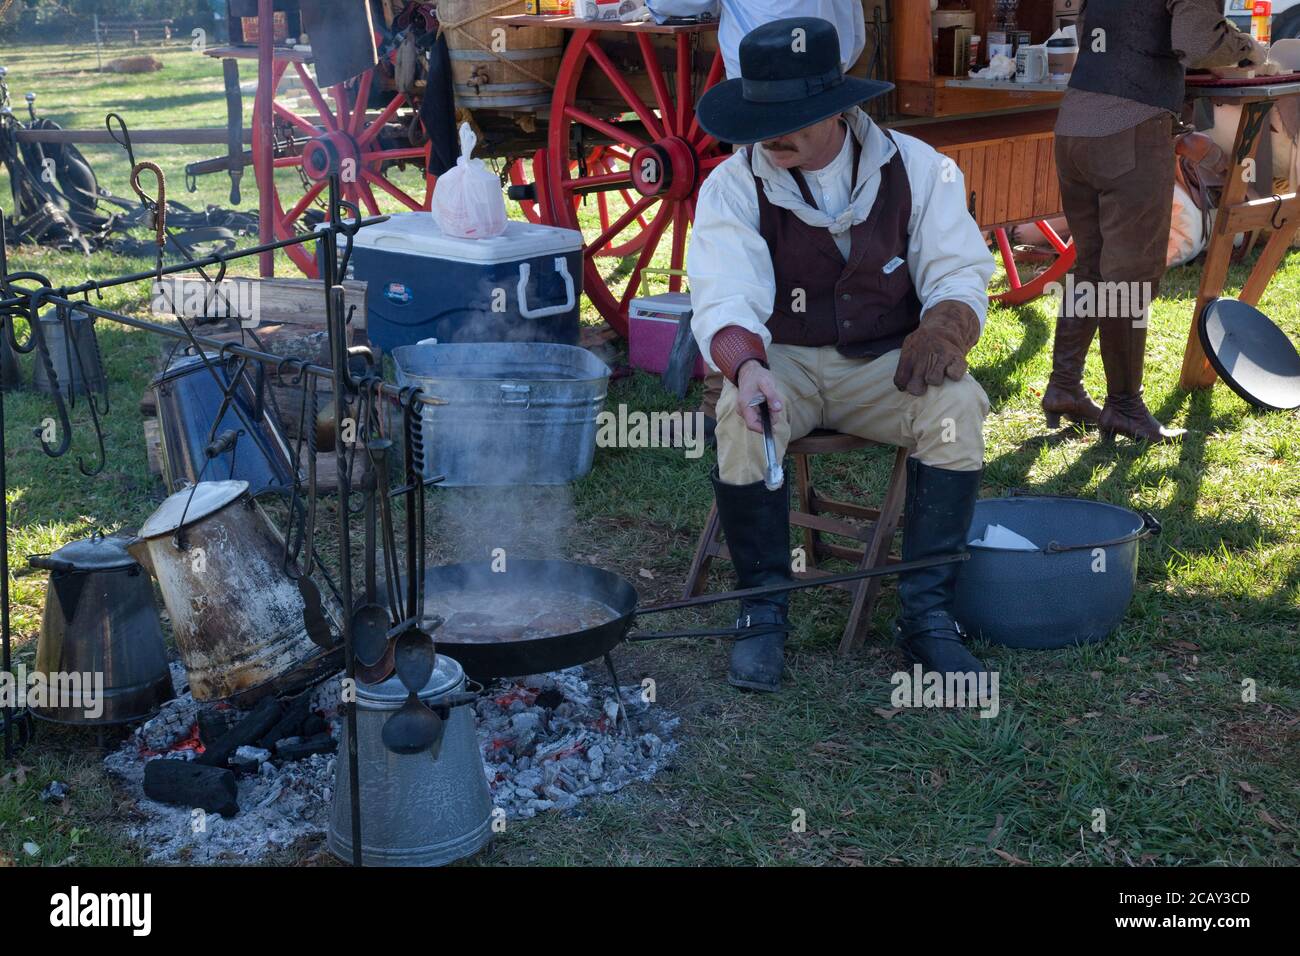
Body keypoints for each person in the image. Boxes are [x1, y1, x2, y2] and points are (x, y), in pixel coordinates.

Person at [687, 17, 994, 693]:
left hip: (884, 365)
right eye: (764, 116)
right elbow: (725, 290)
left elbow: (957, 269)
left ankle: (927, 619)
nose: (775, 132)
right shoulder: (732, 185)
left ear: (836, 111)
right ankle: (762, 611)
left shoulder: (918, 168)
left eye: (793, 116)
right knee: (744, 414)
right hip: (783, 363)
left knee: (958, 406)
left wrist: (943, 330)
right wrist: (746, 365)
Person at [1046, 0, 1268, 442]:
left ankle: (1064, 387)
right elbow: (1196, 42)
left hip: (1074, 125)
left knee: (1092, 265)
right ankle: (1125, 407)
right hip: (1129, 128)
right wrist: (1250, 48)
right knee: (1129, 277)